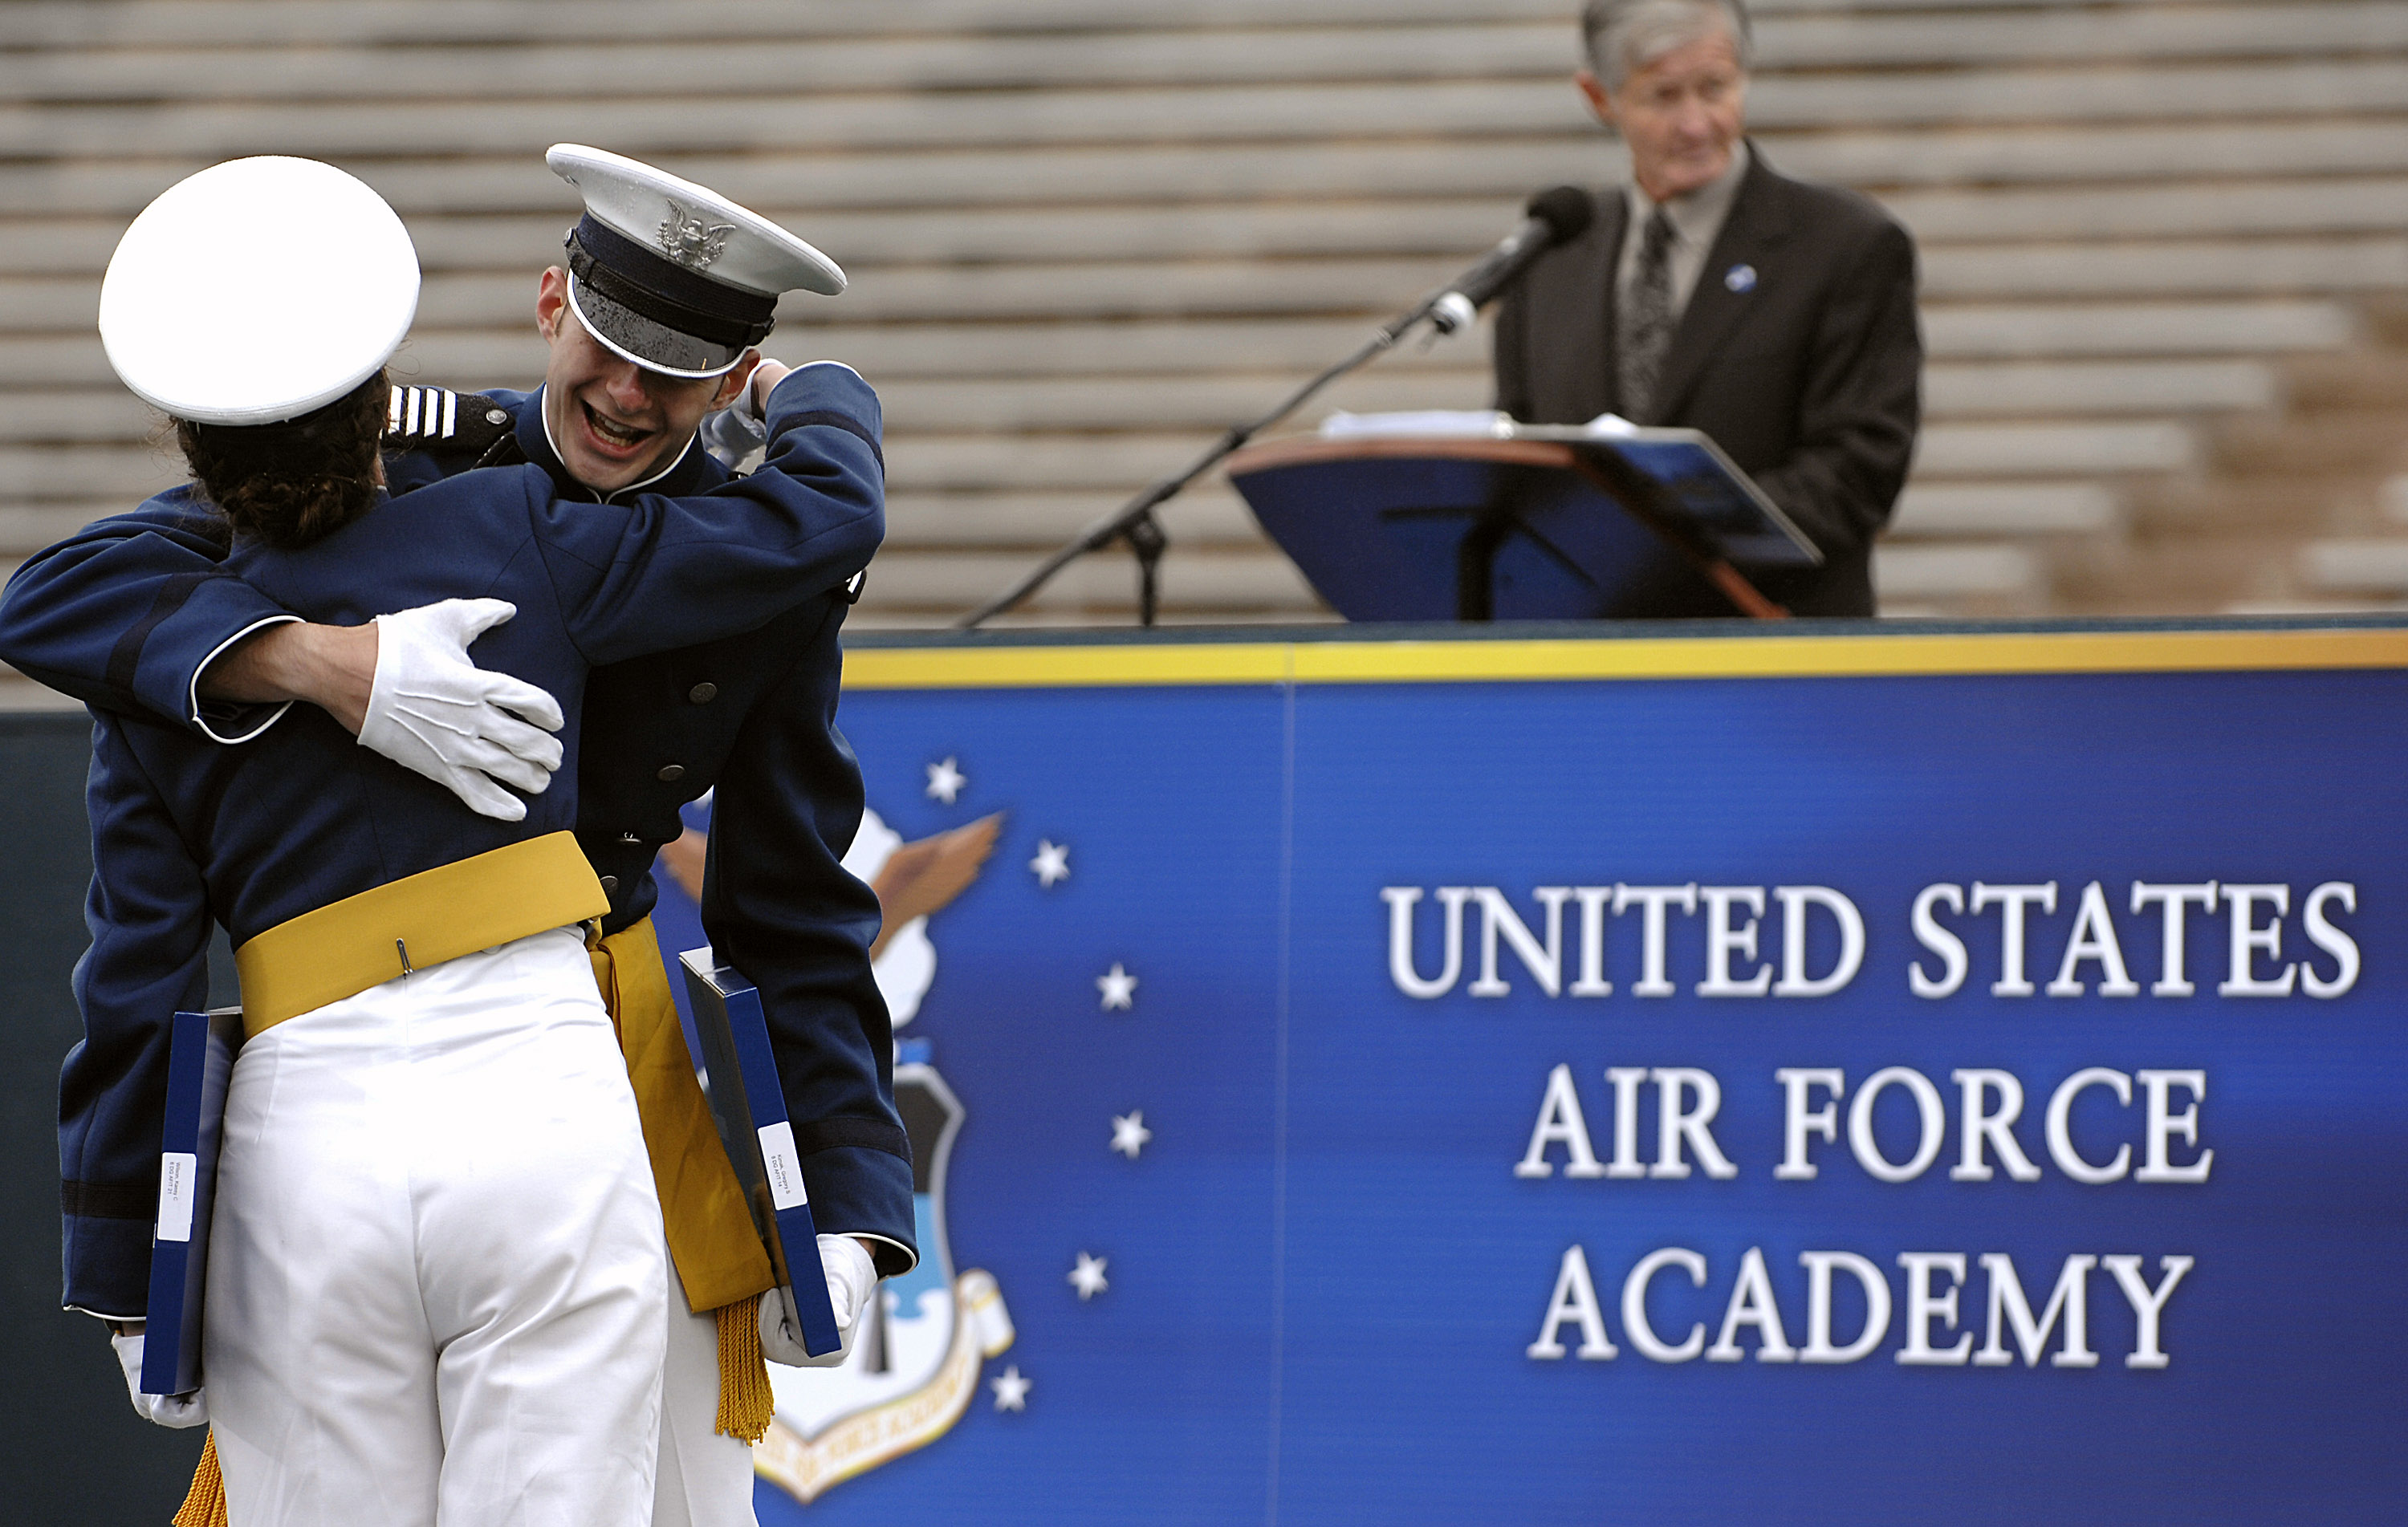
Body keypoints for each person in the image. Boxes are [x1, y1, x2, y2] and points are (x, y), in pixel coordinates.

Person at [0, 147, 917, 1527]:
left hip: (619, 1067)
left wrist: (848, 1180)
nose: (629, 391)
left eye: (681, 368)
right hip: (516, 1096)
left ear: (735, 384)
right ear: (553, 301)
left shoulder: (755, 566)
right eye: (613, 340)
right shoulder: (428, 469)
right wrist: (323, 660)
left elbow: (788, 897)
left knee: (682, 1503)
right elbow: (73, 585)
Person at [1491, 0, 1922, 616]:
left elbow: (1859, 470)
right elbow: (1518, 449)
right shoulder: (1552, 257)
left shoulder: (1846, 246)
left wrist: (1662, 529)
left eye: (1715, 88)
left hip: (1775, 655)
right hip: (1590, 661)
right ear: (1598, 98)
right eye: (1664, 97)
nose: (1696, 124)